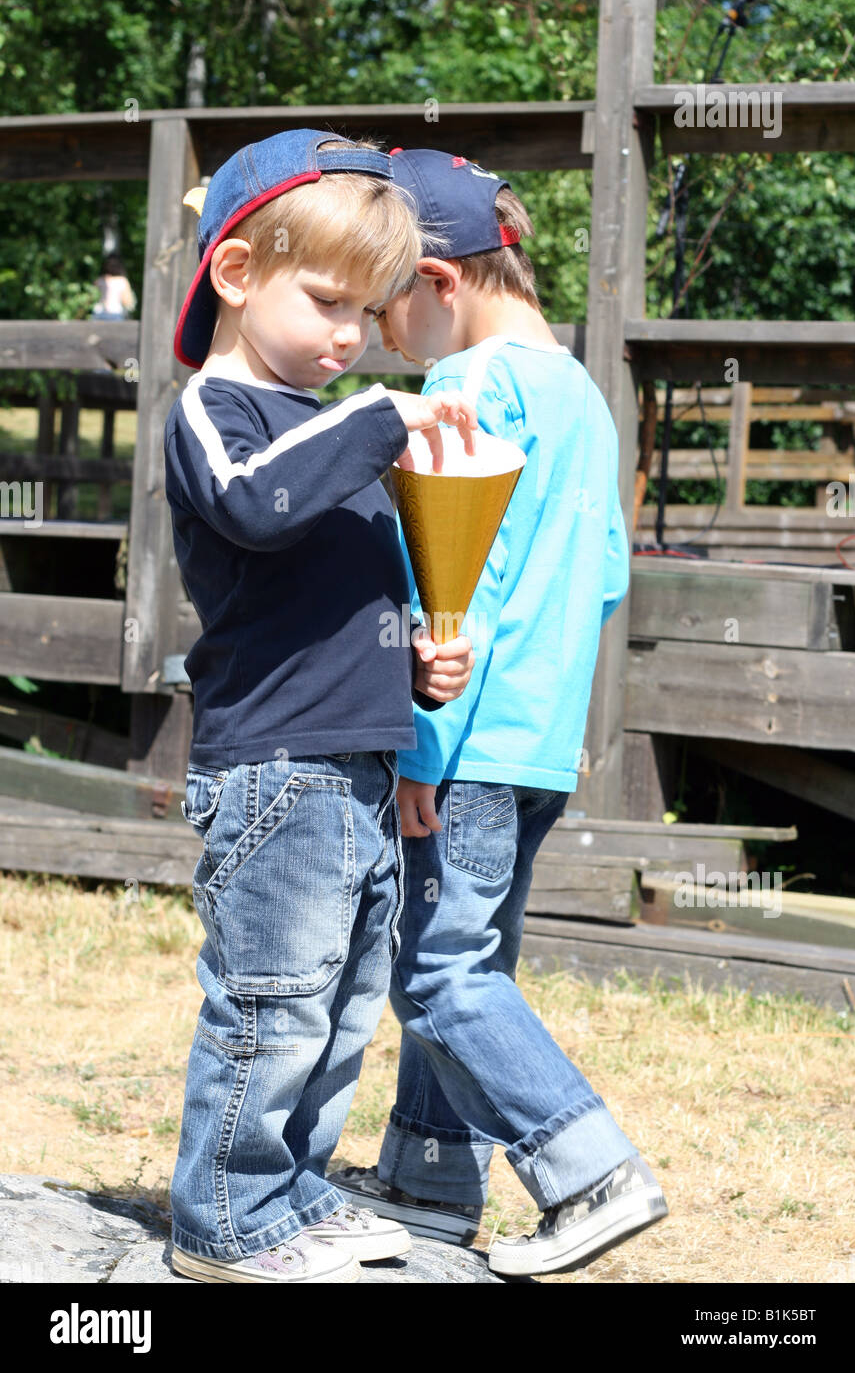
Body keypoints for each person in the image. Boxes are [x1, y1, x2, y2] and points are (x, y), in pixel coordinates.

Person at [332, 149, 669, 1278]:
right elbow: (607, 574)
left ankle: (590, 1170)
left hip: (463, 737)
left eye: (380, 302)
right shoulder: (578, 391)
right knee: (466, 955)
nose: (377, 334)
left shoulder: (463, 391)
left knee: (433, 969)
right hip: (538, 739)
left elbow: (446, 589)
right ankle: (431, 1178)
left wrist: (419, 744)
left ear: (437, 278)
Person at [163, 129, 480, 1283]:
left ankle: (293, 1189)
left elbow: (351, 594)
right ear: (238, 277)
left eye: (371, 311)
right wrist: (375, 419)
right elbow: (256, 511)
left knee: (344, 1008)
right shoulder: (221, 413)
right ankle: (225, 1216)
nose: (351, 336)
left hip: (353, 763)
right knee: (271, 998)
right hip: (276, 768)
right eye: (329, 302)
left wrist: (411, 671)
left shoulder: (333, 430)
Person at [90, 254, 136, 320]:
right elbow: (126, 301)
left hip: (99, 313)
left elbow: (91, 299)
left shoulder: (99, 280)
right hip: (116, 314)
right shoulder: (122, 281)